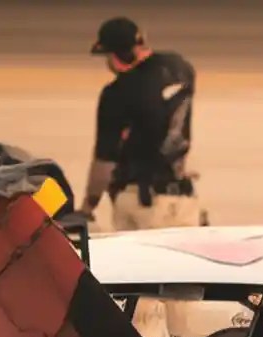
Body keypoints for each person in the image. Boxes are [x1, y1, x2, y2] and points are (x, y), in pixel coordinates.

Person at [79, 16, 201, 230]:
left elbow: (104, 161)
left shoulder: (117, 93)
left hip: (143, 203)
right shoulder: (181, 69)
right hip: (184, 200)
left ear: (118, 56)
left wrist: (88, 206)